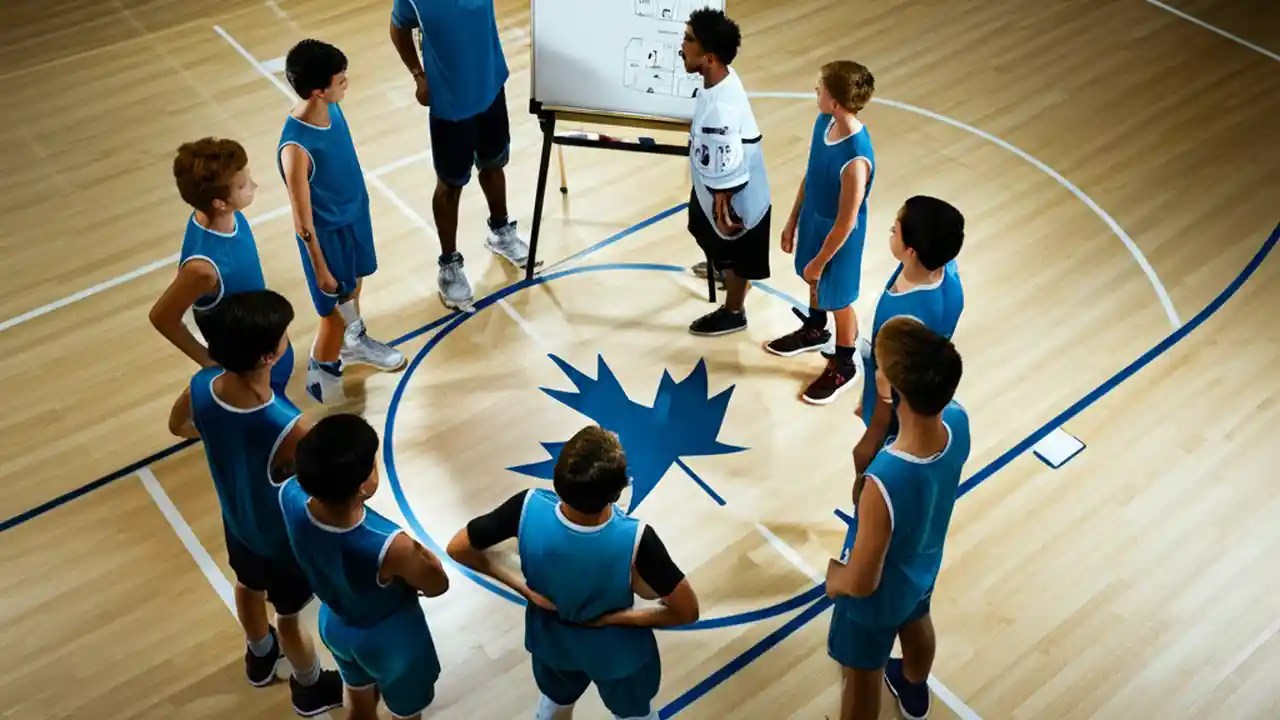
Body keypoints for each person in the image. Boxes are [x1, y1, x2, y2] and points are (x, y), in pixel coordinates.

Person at [167, 290, 343, 716]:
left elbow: (178, 427)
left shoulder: (201, 386)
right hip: (281, 540)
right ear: (268, 357)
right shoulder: (284, 425)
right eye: (282, 335)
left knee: (247, 585)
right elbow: (331, 487)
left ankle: (259, 655)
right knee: (290, 615)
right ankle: (308, 687)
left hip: (236, 520)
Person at [447, 425, 699, 720]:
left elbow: (458, 548)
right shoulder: (637, 539)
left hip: (553, 643)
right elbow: (687, 610)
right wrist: (614, 618)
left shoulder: (525, 506)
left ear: (558, 477)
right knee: (634, 714)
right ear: (617, 492)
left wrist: (524, 589)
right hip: (618, 655)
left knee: (554, 705)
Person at [825, 316, 970, 720]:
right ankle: (912, 687)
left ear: (894, 388)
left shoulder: (884, 479)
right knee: (918, 622)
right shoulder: (958, 421)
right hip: (923, 564)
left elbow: (863, 580)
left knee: (862, 677)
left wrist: (836, 579)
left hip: (876, 598)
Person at [279, 414, 450, 720]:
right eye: (373, 464)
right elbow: (437, 584)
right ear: (361, 487)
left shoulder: (289, 496)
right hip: (392, 641)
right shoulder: (390, 544)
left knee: (358, 704)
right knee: (407, 715)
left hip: (335, 623)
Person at [278, 38, 405, 406]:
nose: (346, 81)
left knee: (354, 290)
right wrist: (320, 267)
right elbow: (302, 220)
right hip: (327, 238)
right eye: (340, 79)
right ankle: (323, 382)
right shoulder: (296, 149)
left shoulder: (333, 110)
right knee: (332, 314)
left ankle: (355, 342)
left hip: (354, 219)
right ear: (318, 91)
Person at [388, 0, 530, 311]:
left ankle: (501, 231)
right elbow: (398, 28)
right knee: (450, 184)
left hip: (491, 87)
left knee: (494, 165)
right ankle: (449, 265)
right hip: (449, 101)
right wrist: (419, 76)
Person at [766, 61, 876, 405]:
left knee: (839, 299)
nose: (815, 92)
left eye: (820, 89)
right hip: (815, 219)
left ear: (835, 102)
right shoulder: (822, 123)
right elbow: (811, 175)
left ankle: (845, 362)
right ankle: (816, 329)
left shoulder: (856, 159)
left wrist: (821, 261)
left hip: (839, 237)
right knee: (813, 281)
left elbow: (846, 222)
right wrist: (792, 220)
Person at [150, 138, 294, 399]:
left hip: (266, 341)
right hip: (248, 367)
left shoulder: (229, 216)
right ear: (220, 203)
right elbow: (162, 317)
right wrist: (209, 364)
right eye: (243, 185)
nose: (254, 186)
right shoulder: (203, 268)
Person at [852, 196, 965, 475]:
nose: (890, 231)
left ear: (911, 251)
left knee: (872, 467)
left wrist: (875, 421)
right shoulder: (947, 273)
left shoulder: (902, 319)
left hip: (896, 406)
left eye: (895, 230)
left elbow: (887, 380)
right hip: (916, 388)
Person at [680, 8, 773, 337]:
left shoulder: (722, 107)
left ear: (709, 57)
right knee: (702, 230)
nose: (681, 45)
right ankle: (728, 272)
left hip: (734, 203)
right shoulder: (719, 80)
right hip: (714, 192)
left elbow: (729, 176)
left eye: (689, 40)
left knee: (733, 251)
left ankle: (734, 310)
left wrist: (723, 210)